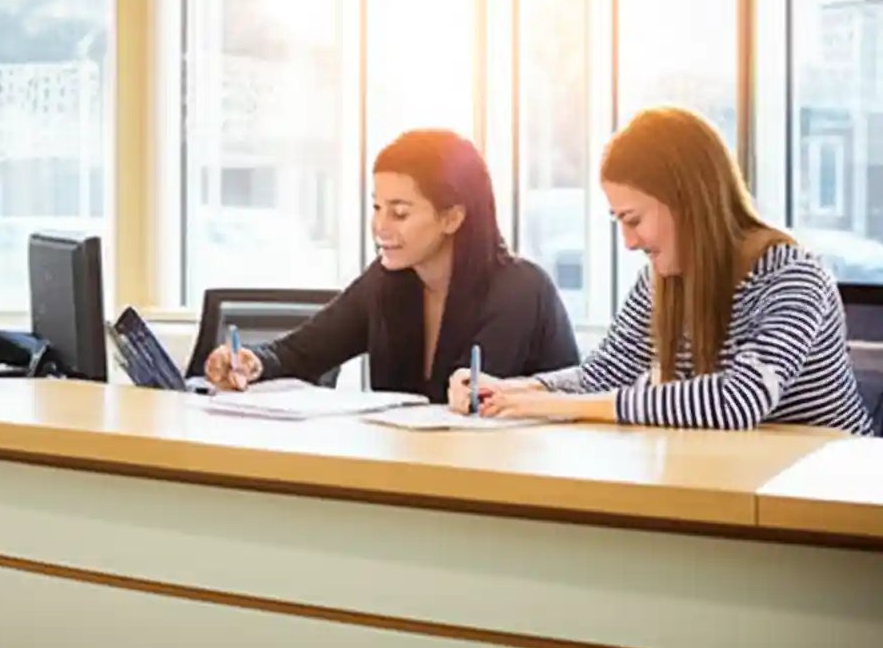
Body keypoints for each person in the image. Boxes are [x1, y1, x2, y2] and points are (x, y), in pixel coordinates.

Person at [449, 106, 872, 434]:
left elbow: (739, 399)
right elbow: (603, 375)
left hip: (827, 500)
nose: (629, 243)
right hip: (731, 480)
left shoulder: (793, 276)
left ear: (688, 203)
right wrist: (509, 391)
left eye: (634, 220)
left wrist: (557, 406)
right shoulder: (661, 282)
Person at [203, 129, 580, 403]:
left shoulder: (519, 289)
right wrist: (253, 362)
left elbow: (464, 405)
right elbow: (301, 353)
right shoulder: (386, 280)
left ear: (452, 218)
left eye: (400, 212)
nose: (380, 226)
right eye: (377, 207)